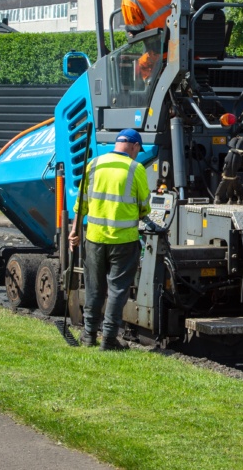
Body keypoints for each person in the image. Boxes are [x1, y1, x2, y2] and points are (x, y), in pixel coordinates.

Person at [69, 128, 151, 351]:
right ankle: (108, 339)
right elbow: (145, 206)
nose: (137, 154)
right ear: (133, 146)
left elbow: (81, 203)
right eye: (138, 150)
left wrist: (74, 230)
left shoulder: (94, 164)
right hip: (123, 241)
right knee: (117, 290)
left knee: (95, 289)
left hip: (94, 239)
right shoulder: (136, 169)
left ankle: (88, 336)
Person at [120, 0, 175, 83]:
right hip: (182, 44)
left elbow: (136, 31)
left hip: (160, 52)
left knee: (139, 68)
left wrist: (130, 33)